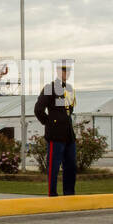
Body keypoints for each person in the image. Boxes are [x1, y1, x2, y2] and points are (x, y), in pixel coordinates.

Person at [34, 61, 77, 196]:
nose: (67, 74)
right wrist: (49, 123)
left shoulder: (69, 89)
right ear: (58, 72)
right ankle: (52, 194)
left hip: (68, 134)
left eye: (69, 71)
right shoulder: (49, 88)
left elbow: (69, 110)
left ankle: (69, 193)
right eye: (64, 71)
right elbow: (38, 109)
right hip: (55, 134)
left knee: (71, 165)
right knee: (54, 166)